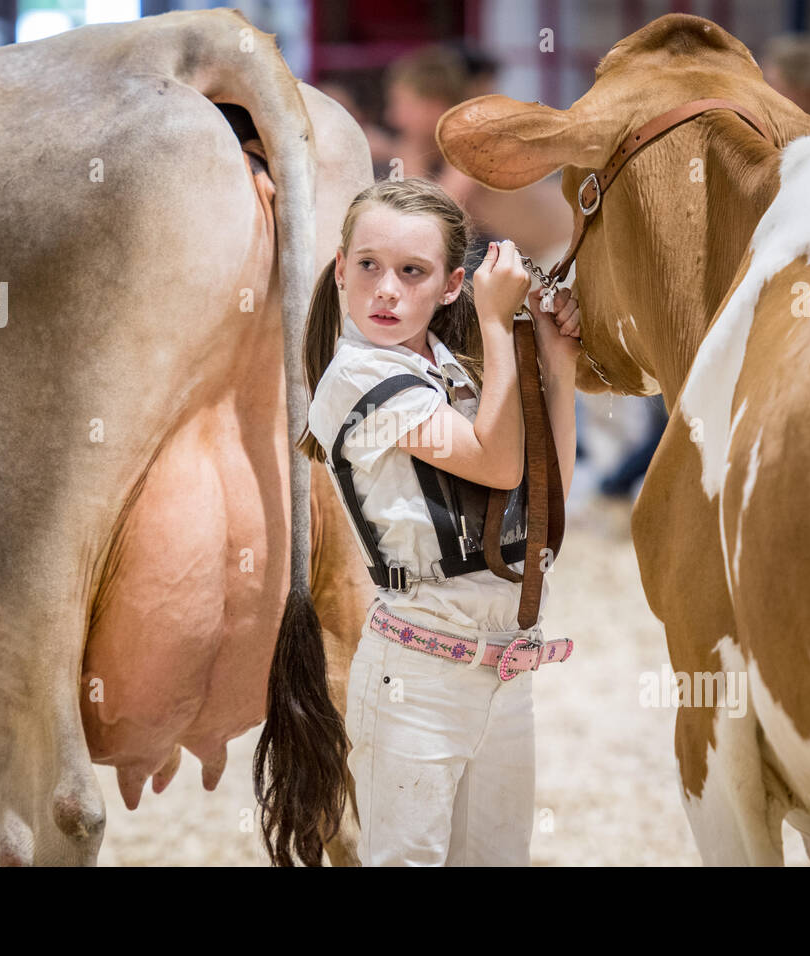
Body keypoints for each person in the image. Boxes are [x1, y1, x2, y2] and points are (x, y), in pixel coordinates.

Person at [271, 177, 580, 866]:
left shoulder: (457, 370)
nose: (386, 290)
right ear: (342, 267)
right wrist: (500, 324)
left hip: (506, 665)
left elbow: (543, 498)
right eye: (369, 266)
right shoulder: (356, 373)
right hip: (418, 672)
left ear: (448, 287)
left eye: (412, 272)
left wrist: (556, 368)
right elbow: (496, 465)